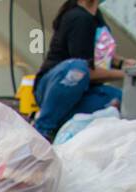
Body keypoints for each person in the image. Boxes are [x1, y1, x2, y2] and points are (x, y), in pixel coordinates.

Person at [32, 0, 129, 141]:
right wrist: (127, 74)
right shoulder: (78, 18)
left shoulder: (95, 16)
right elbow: (88, 71)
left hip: (83, 93)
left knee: (122, 99)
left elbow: (100, 55)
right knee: (77, 70)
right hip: (55, 89)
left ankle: (62, 124)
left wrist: (123, 63)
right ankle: (43, 129)